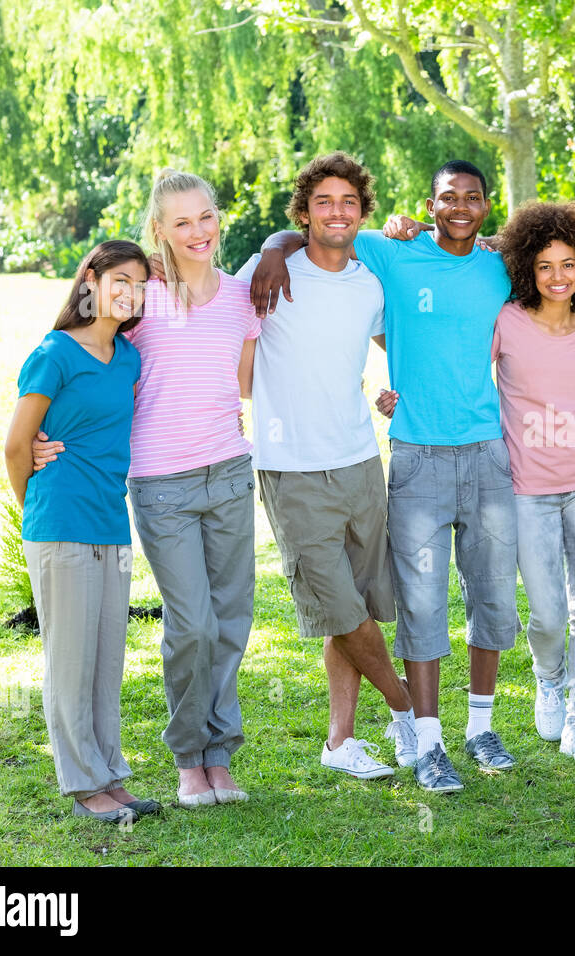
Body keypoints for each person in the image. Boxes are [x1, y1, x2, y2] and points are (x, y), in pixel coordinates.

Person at [266, 161, 575, 790]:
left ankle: (481, 727)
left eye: (471, 198)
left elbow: (557, 302)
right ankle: (430, 737)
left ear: (488, 206)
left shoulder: (501, 268)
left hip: (491, 454)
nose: (459, 206)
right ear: (430, 203)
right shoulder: (396, 253)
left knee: (492, 597)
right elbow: (326, 233)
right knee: (421, 600)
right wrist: (277, 251)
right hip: (416, 458)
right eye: (447, 197)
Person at [34, 169, 263, 808]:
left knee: (231, 621)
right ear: (158, 230)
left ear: (220, 219)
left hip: (229, 474)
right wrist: (36, 436)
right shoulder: (143, 296)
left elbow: (244, 382)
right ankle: (190, 758)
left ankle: (221, 756)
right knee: (191, 623)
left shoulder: (242, 294)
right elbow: (75, 354)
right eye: (181, 222)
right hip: (162, 483)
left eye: (207, 217)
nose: (198, 232)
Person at [236, 152, 418, 783]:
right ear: (303, 212)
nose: (336, 213)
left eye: (348, 202)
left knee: (358, 604)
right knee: (338, 606)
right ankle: (410, 712)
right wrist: (269, 249)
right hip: (291, 466)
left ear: (361, 211)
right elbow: (236, 361)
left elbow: (398, 346)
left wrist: (396, 391)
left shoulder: (370, 282)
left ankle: (341, 742)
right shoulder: (270, 273)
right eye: (322, 202)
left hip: (360, 459)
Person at [4, 240, 158, 825]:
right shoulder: (54, 354)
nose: (130, 293)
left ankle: (111, 776)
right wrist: (37, 511)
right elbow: (18, 446)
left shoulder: (128, 358)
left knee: (104, 661)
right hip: (60, 526)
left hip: (111, 527)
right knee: (69, 663)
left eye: (140, 285)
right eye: (120, 279)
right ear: (90, 280)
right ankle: (84, 785)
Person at [494, 201, 575, 763]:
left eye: (568, 265)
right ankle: (548, 678)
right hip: (528, 486)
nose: (557, 277)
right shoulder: (504, 322)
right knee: (546, 612)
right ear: (526, 267)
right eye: (545, 266)